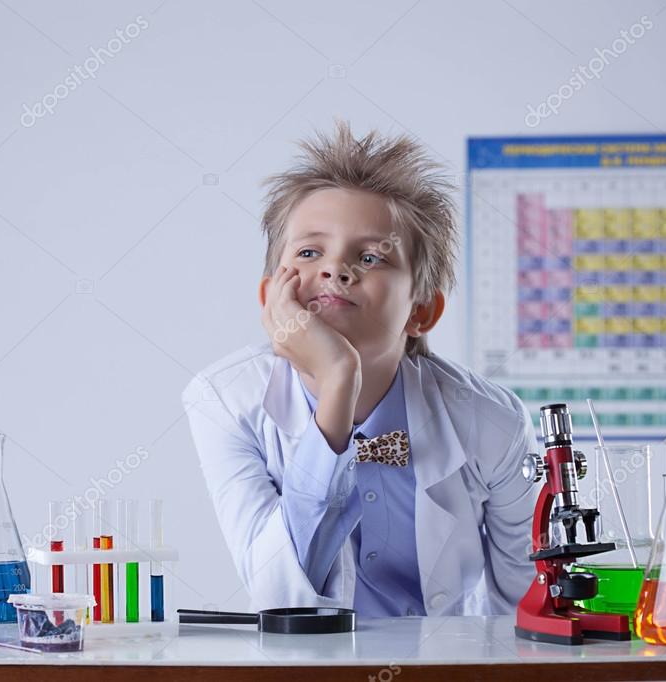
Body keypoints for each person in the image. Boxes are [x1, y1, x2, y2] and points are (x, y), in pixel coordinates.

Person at [182, 122, 538, 617]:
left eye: (371, 257)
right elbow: (279, 597)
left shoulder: (493, 422)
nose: (335, 269)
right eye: (309, 252)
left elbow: (527, 611)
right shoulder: (223, 400)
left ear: (422, 311)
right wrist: (336, 380)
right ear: (271, 298)